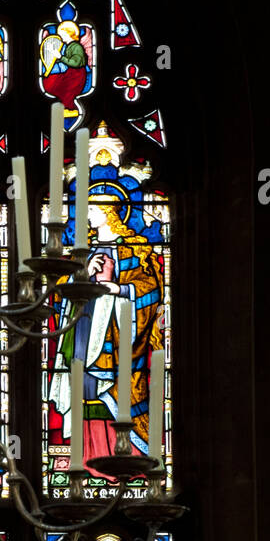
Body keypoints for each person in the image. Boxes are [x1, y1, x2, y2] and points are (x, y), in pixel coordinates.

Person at [49, 196, 164, 469]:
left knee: (112, 392)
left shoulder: (133, 250)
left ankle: (127, 462)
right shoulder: (82, 252)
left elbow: (151, 288)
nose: (86, 214)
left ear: (109, 212)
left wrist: (118, 289)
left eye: (92, 209)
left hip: (116, 334)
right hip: (82, 330)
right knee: (84, 391)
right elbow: (59, 290)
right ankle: (86, 462)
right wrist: (83, 274)